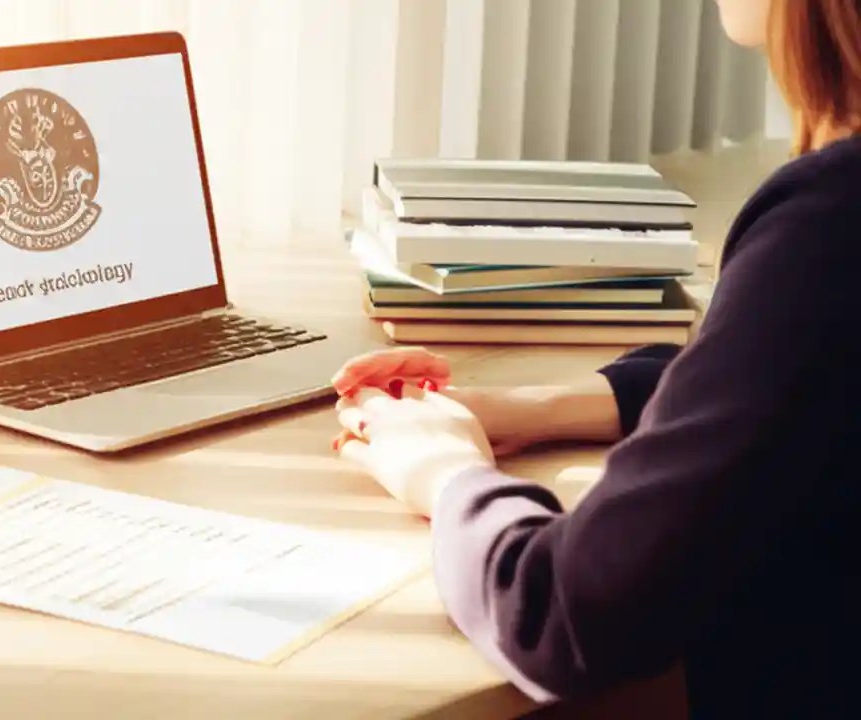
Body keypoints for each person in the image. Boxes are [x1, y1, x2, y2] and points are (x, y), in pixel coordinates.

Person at [329, 0, 861, 716]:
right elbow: (808, 377)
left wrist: (445, 473)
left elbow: (567, 618)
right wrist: (547, 407)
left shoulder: (829, 224)